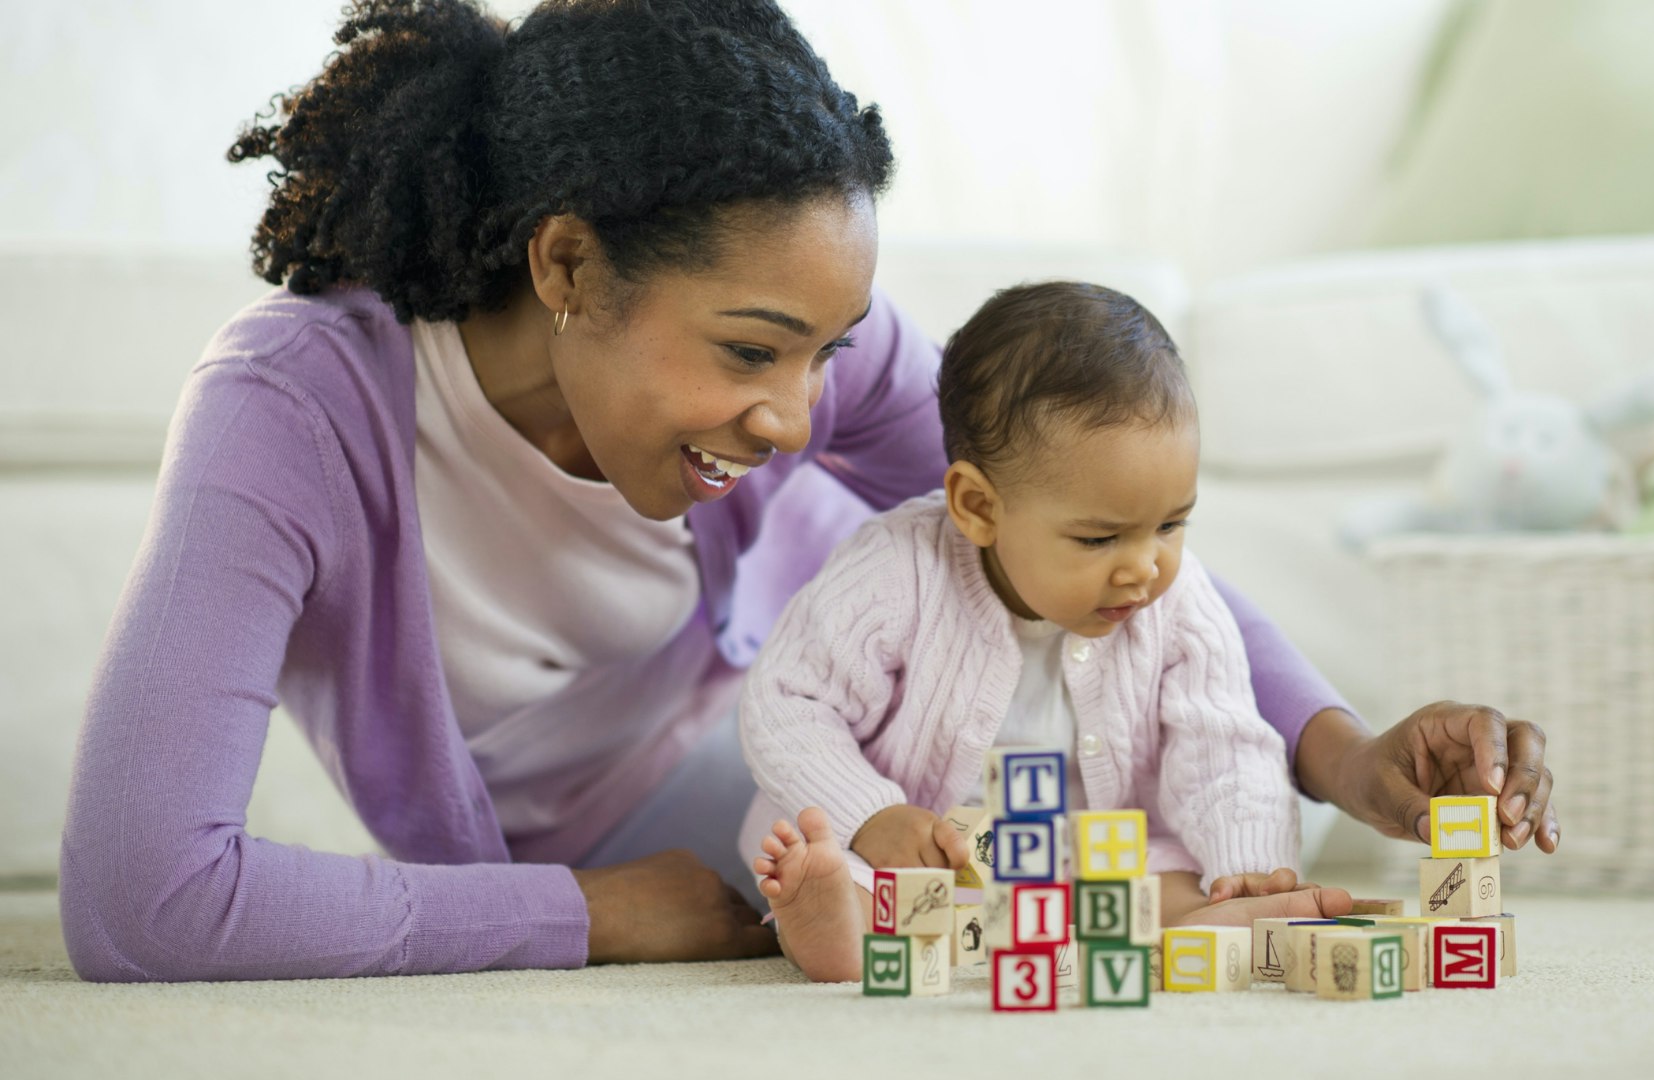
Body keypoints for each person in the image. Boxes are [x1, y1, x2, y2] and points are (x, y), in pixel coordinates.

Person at [60, 0, 1556, 984]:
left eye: (828, 354)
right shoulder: (290, 413)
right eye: (749, 353)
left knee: (1172, 825)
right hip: (701, 811)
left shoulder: (803, 351)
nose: (796, 416)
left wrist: (1346, 752)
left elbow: (1102, 531)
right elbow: (142, 898)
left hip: (860, 737)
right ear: (566, 263)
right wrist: (590, 911)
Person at [743, 282, 1349, 981]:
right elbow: (788, 702)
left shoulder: (1180, 599)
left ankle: (1212, 916)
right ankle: (840, 925)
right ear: (978, 507)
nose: (1144, 567)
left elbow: (1226, 746)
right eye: (1099, 538)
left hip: (1095, 865)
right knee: (838, 861)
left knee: (1176, 873)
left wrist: (1247, 866)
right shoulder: (895, 570)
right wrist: (871, 816)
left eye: (1170, 524)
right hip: (924, 851)